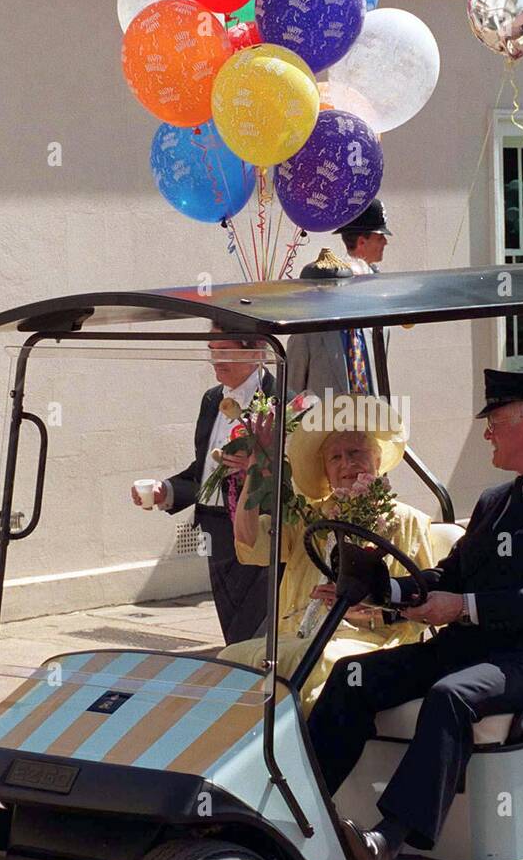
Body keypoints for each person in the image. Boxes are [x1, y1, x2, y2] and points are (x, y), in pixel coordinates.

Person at [306, 369, 523, 860]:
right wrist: (386, 592)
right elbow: (449, 574)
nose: (487, 434)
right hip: (471, 645)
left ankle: (389, 841)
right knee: (354, 676)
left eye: (494, 423)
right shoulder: (497, 500)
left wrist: (464, 607)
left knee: (451, 697)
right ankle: (298, 813)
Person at [219, 395, 434, 713]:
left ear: (376, 459)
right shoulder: (309, 517)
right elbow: (249, 543)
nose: (347, 464)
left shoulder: (406, 520)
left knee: (308, 661)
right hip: (298, 636)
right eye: (335, 457)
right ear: (326, 471)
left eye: (356, 453)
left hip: (369, 641)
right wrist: (253, 474)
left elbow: (425, 604)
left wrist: (364, 607)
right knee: (229, 661)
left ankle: (293, 755)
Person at [131, 335, 274, 645]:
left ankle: (262, 684)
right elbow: (203, 470)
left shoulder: (280, 399)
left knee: (258, 624)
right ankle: (241, 682)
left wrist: (257, 466)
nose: (215, 360)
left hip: (259, 527)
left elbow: (293, 475)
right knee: (232, 627)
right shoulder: (211, 400)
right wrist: (165, 490)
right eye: (212, 350)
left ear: (257, 351)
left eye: (224, 350)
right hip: (214, 528)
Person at [286, 200, 391, 397]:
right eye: (379, 237)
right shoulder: (309, 333)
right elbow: (291, 396)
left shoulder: (378, 324)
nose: (385, 242)